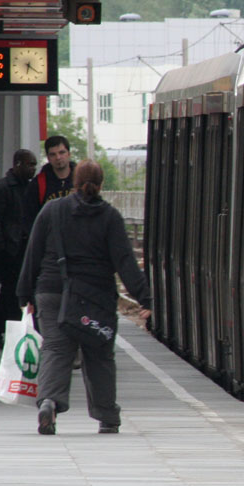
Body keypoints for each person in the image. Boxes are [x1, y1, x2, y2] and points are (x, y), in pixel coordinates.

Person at [17, 160, 151, 436]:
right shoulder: (110, 217)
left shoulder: (52, 210)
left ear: (74, 182)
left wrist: (24, 293)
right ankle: (107, 416)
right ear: (101, 185)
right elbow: (125, 262)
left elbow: (33, 252)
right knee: (99, 352)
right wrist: (146, 300)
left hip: (52, 291)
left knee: (55, 348)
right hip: (95, 297)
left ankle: (50, 402)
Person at [0, 149, 38, 348]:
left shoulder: (29, 188)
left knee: (10, 293)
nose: (33, 169)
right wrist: (1, 247)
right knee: (12, 293)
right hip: (9, 250)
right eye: (30, 164)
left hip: (23, 248)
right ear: (18, 164)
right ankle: (6, 334)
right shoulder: (2, 188)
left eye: (34, 165)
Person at [23, 135, 76, 235]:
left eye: (62, 152)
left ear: (69, 154)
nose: (58, 157)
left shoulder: (81, 181)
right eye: (53, 154)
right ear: (48, 158)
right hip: (49, 240)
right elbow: (29, 219)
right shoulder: (38, 184)